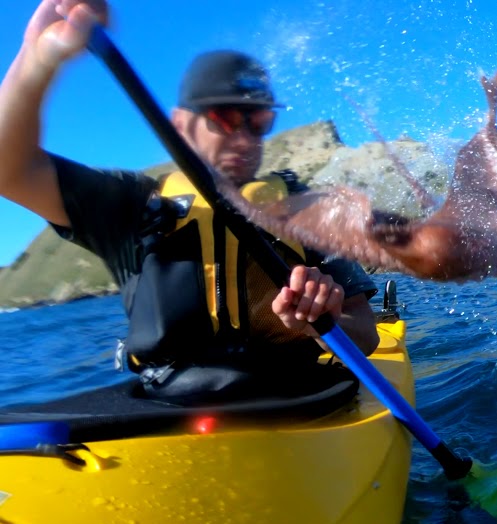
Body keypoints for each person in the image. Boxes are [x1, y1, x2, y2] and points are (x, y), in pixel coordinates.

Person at [0, 1, 380, 401]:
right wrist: (36, 59)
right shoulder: (135, 205)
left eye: (259, 121)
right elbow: (11, 170)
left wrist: (322, 323)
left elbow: (366, 335)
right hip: (170, 405)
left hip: (299, 396)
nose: (244, 135)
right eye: (225, 118)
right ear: (181, 124)